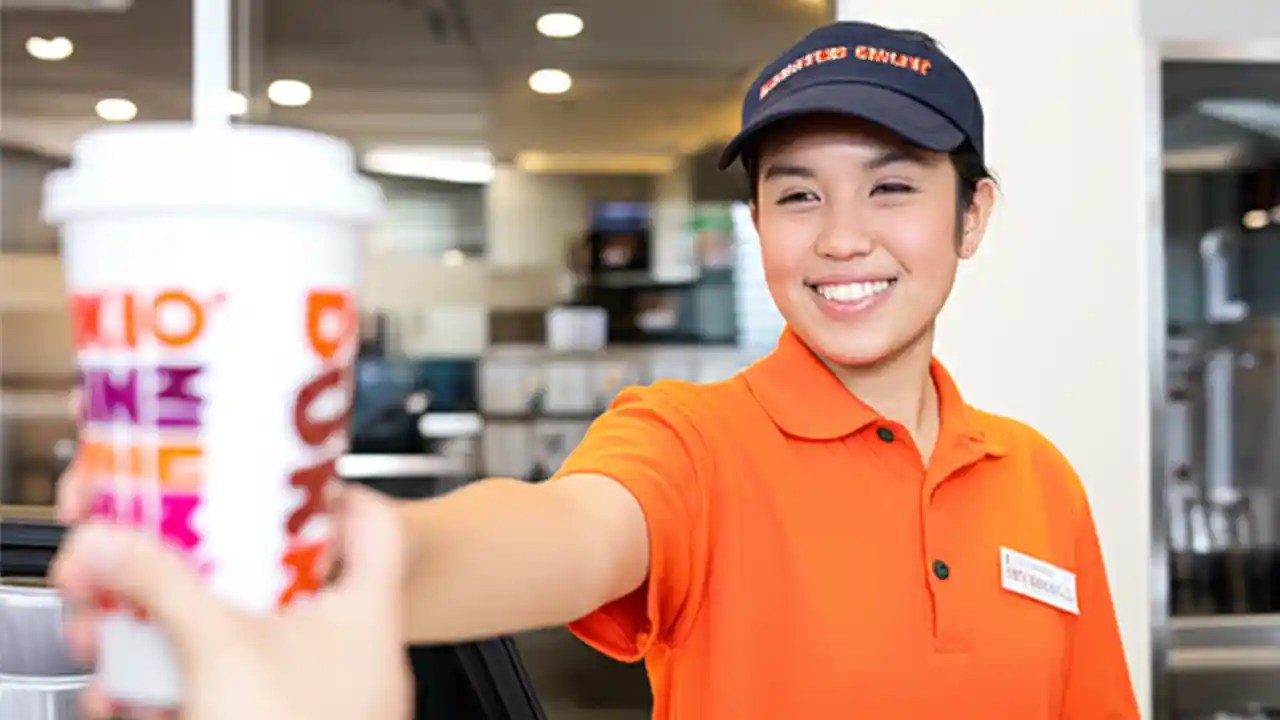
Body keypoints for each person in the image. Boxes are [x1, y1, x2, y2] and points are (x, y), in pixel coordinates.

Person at [54, 20, 1140, 720]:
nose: (841, 237)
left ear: (972, 214)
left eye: (891, 187)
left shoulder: (1037, 481)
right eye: (797, 194)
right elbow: (564, 533)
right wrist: (347, 544)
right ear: (756, 222)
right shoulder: (690, 441)